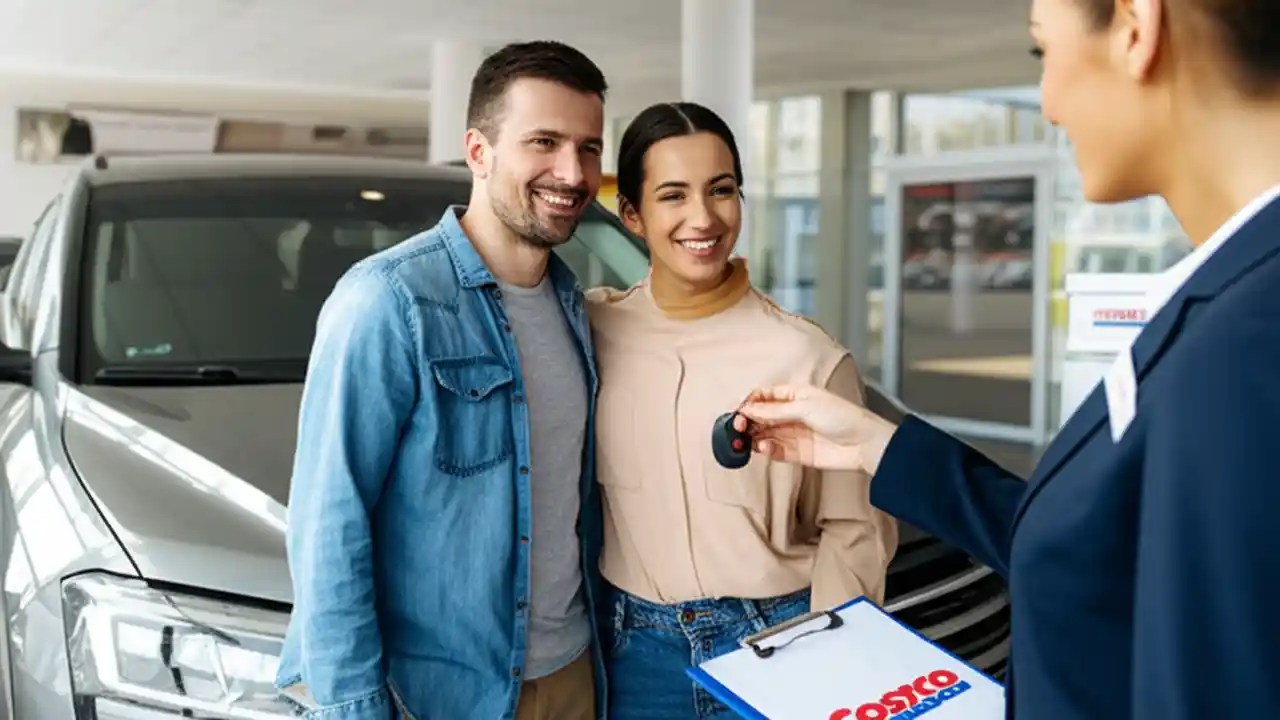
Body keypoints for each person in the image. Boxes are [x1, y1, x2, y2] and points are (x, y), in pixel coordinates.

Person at [734, 1, 1280, 716]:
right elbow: (1114, 562)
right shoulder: (1233, 299)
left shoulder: (1242, 345)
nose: (1048, 103)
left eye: (1041, 53)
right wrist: (876, 443)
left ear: (1137, 27)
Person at [275, 41, 611, 720]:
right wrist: (356, 708)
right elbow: (328, 529)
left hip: (574, 676)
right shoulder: (387, 301)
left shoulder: (578, 309)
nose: (571, 172)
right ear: (479, 152)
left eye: (589, 147)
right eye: (543, 141)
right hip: (435, 698)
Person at [586, 102, 897, 720]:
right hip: (636, 655)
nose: (703, 217)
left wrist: (830, 662)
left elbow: (856, 530)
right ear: (632, 215)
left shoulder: (806, 355)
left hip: (777, 643)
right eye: (672, 195)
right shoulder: (590, 330)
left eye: (721, 190)